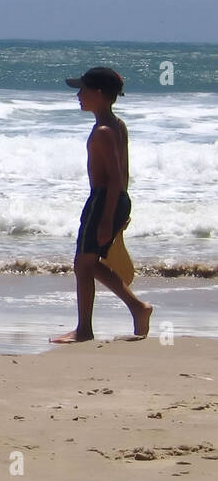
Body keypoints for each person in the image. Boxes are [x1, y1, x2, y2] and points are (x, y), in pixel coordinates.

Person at [50, 68, 151, 343]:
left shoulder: (104, 132)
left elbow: (116, 176)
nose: (78, 97)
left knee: (82, 263)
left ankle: (84, 330)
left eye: (82, 91)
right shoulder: (117, 125)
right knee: (87, 262)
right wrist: (121, 207)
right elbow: (124, 175)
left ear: (98, 94)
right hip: (115, 200)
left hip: (103, 200)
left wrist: (108, 218)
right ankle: (137, 308)